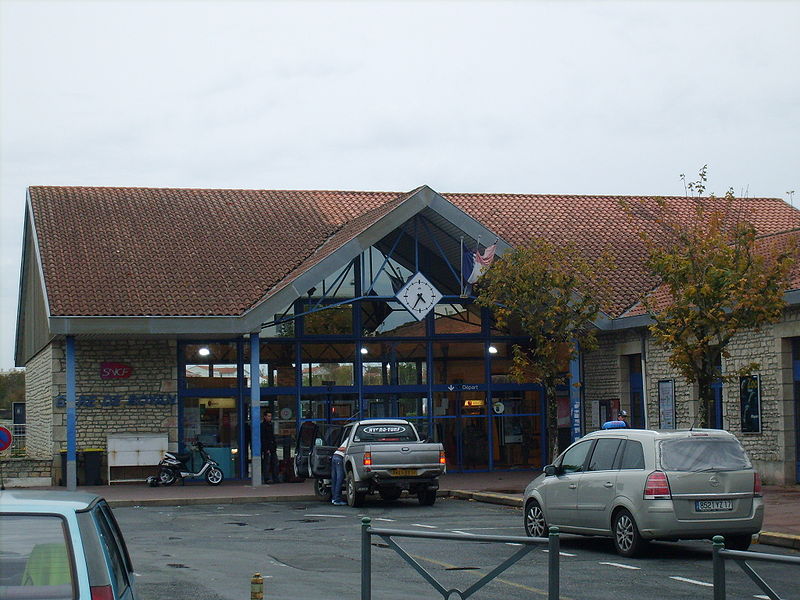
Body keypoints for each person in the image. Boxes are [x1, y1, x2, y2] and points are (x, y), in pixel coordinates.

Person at [330, 430, 348, 506]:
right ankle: (337, 499)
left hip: (335, 457)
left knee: (334, 479)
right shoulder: (352, 439)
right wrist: (348, 449)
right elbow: (340, 448)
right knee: (339, 479)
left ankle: (334, 498)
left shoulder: (347, 438)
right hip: (339, 457)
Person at [260, 412, 279, 484]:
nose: (270, 417)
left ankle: (275, 478)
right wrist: (266, 448)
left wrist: (274, 445)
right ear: (265, 417)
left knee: (275, 463)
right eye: (268, 416)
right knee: (267, 463)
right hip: (267, 448)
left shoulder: (270, 425)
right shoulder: (263, 426)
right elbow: (263, 438)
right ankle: (267, 478)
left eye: (270, 416)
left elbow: (272, 437)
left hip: (272, 447)